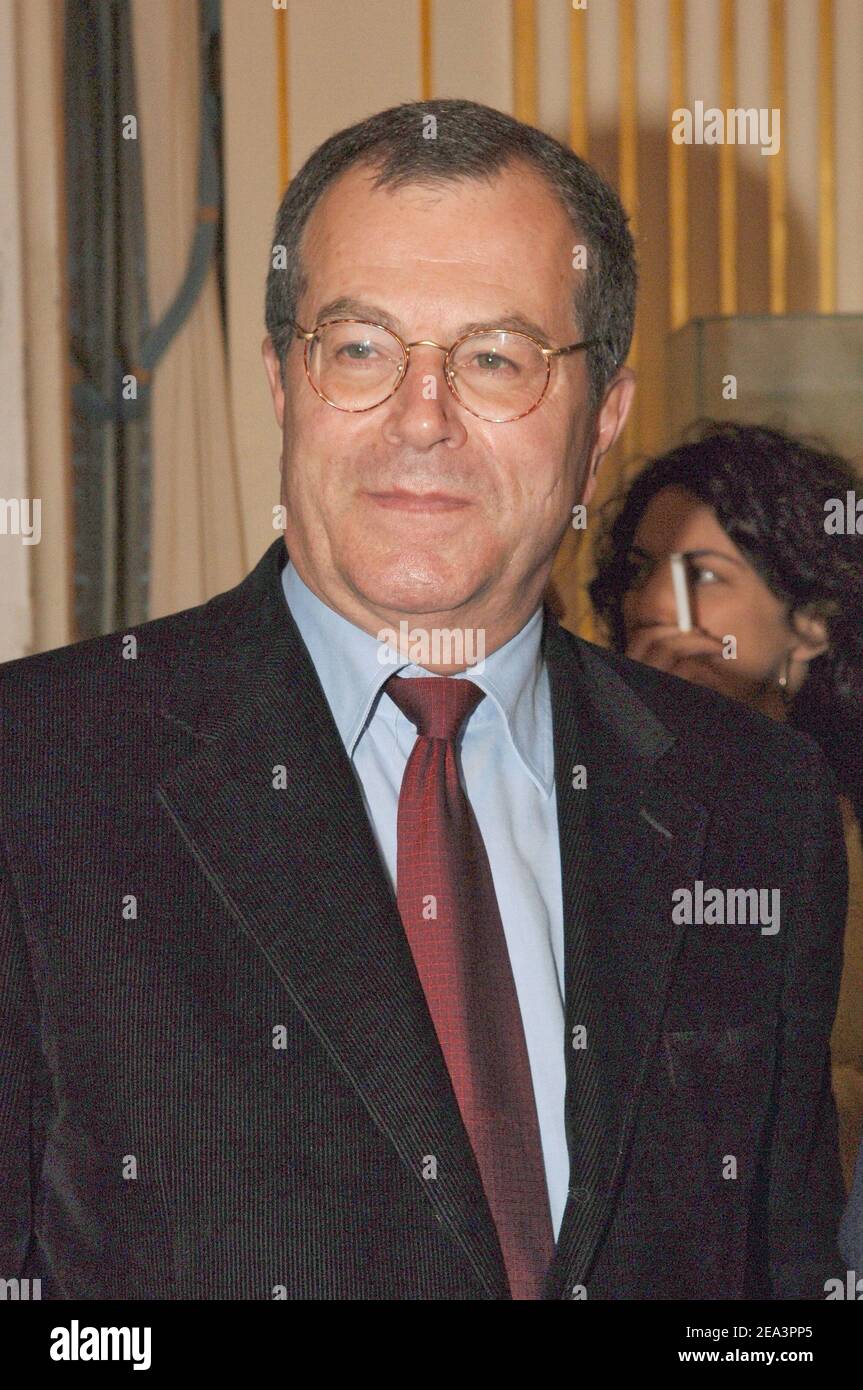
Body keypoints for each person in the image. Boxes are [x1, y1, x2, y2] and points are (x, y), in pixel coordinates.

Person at [0, 99, 847, 1301]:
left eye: (495, 358)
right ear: (282, 382)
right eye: (359, 346)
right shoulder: (38, 773)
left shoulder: (755, 801)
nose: (421, 416)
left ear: (601, 416)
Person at [588, 420, 863, 1202]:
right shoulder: (586, 788)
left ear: (807, 627)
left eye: (700, 575)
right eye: (639, 571)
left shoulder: (833, 824)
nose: (651, 603)